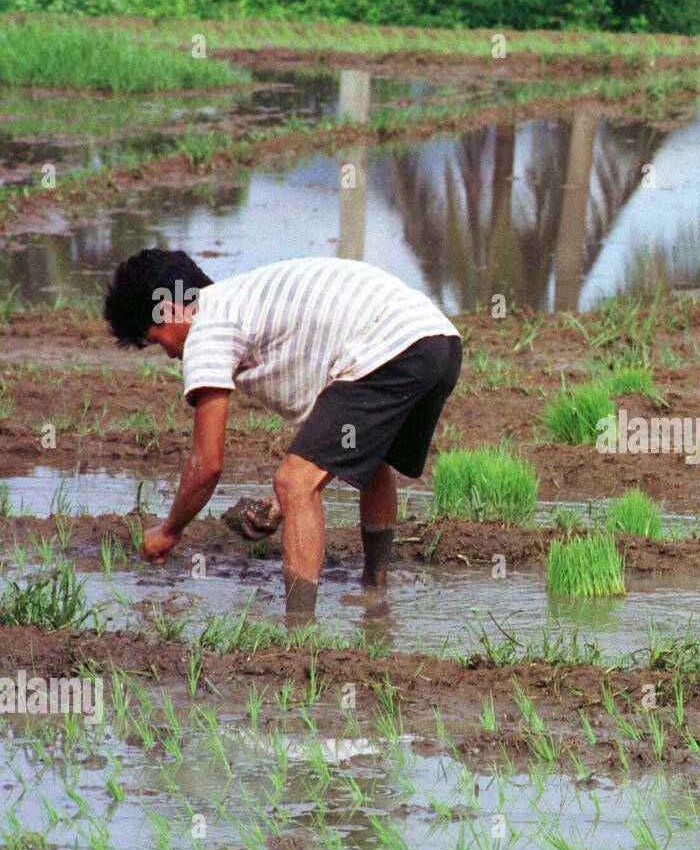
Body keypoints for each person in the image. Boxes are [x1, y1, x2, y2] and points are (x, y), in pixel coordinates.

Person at [102, 250, 462, 621]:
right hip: (439, 342)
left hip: (391, 347)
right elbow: (335, 430)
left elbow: (206, 463)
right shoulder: (245, 301)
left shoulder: (207, 328)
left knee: (294, 482)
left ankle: (299, 635)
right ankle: (375, 593)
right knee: (373, 463)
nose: (168, 354)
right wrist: (277, 508)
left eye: (156, 339)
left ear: (169, 309)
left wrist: (169, 530)